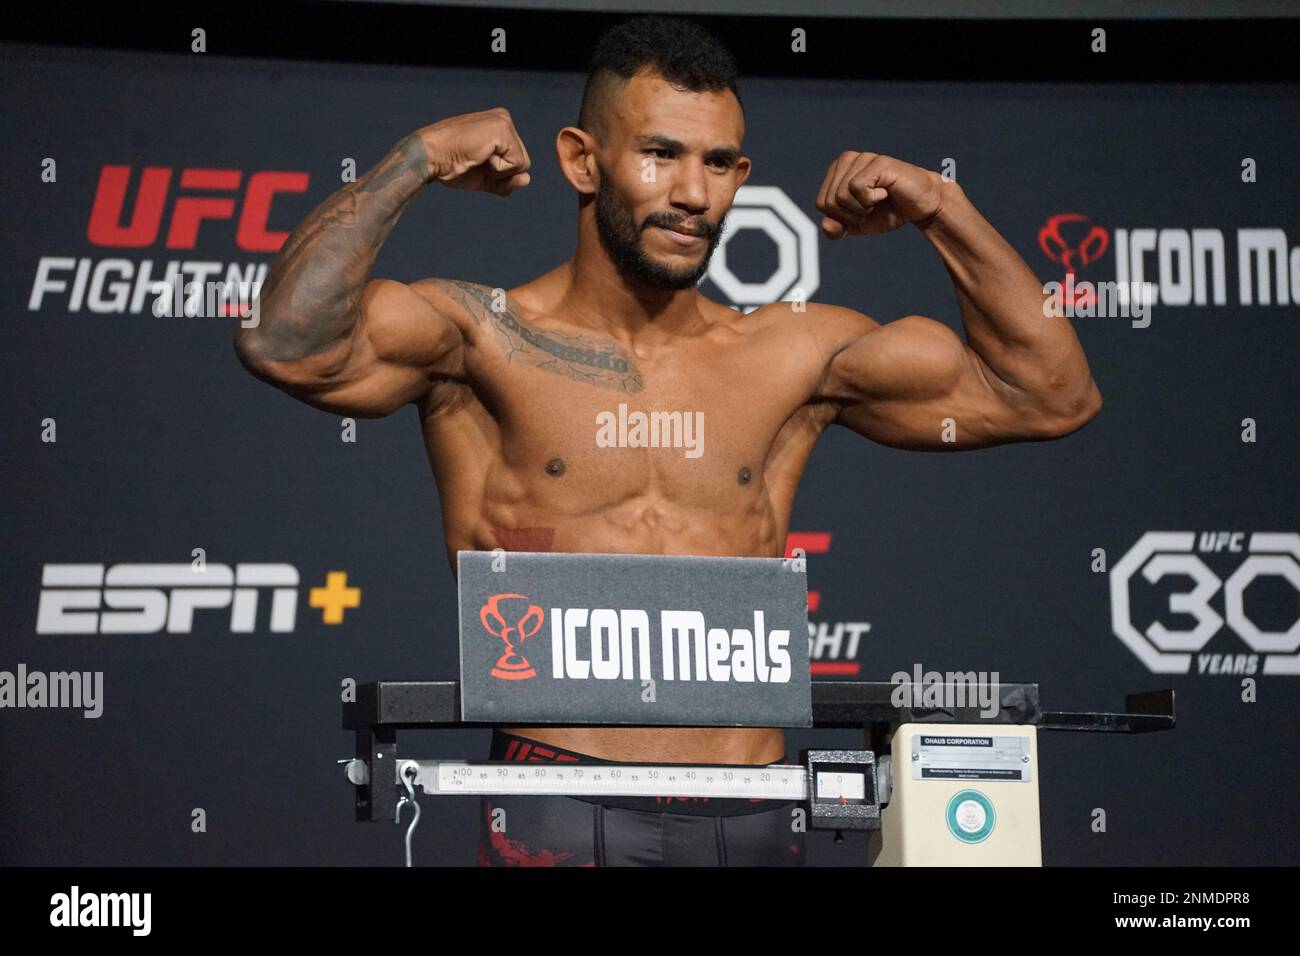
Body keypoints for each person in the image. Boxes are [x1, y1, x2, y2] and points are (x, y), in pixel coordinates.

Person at [233, 16, 1100, 865]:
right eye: (660, 154)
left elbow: (1048, 396)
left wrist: (941, 208)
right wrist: (413, 161)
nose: (693, 194)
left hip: (753, 801)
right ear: (582, 159)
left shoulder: (791, 353)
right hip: (556, 795)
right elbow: (287, 343)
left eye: (718, 163)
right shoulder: (481, 336)